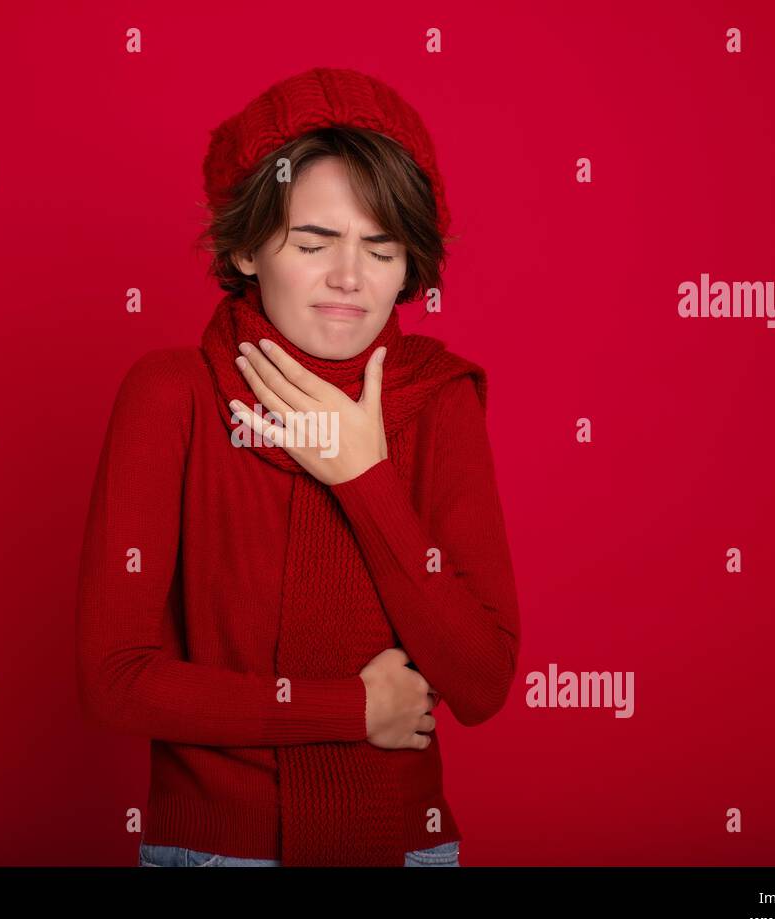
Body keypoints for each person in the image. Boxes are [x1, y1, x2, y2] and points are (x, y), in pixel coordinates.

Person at [74, 67, 521, 867]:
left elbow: (482, 681)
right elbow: (117, 678)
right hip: (223, 854)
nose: (349, 277)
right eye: (314, 243)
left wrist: (361, 475)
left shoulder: (441, 398)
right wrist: (351, 710)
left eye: (380, 249)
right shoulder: (172, 394)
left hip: (406, 850)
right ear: (246, 246)